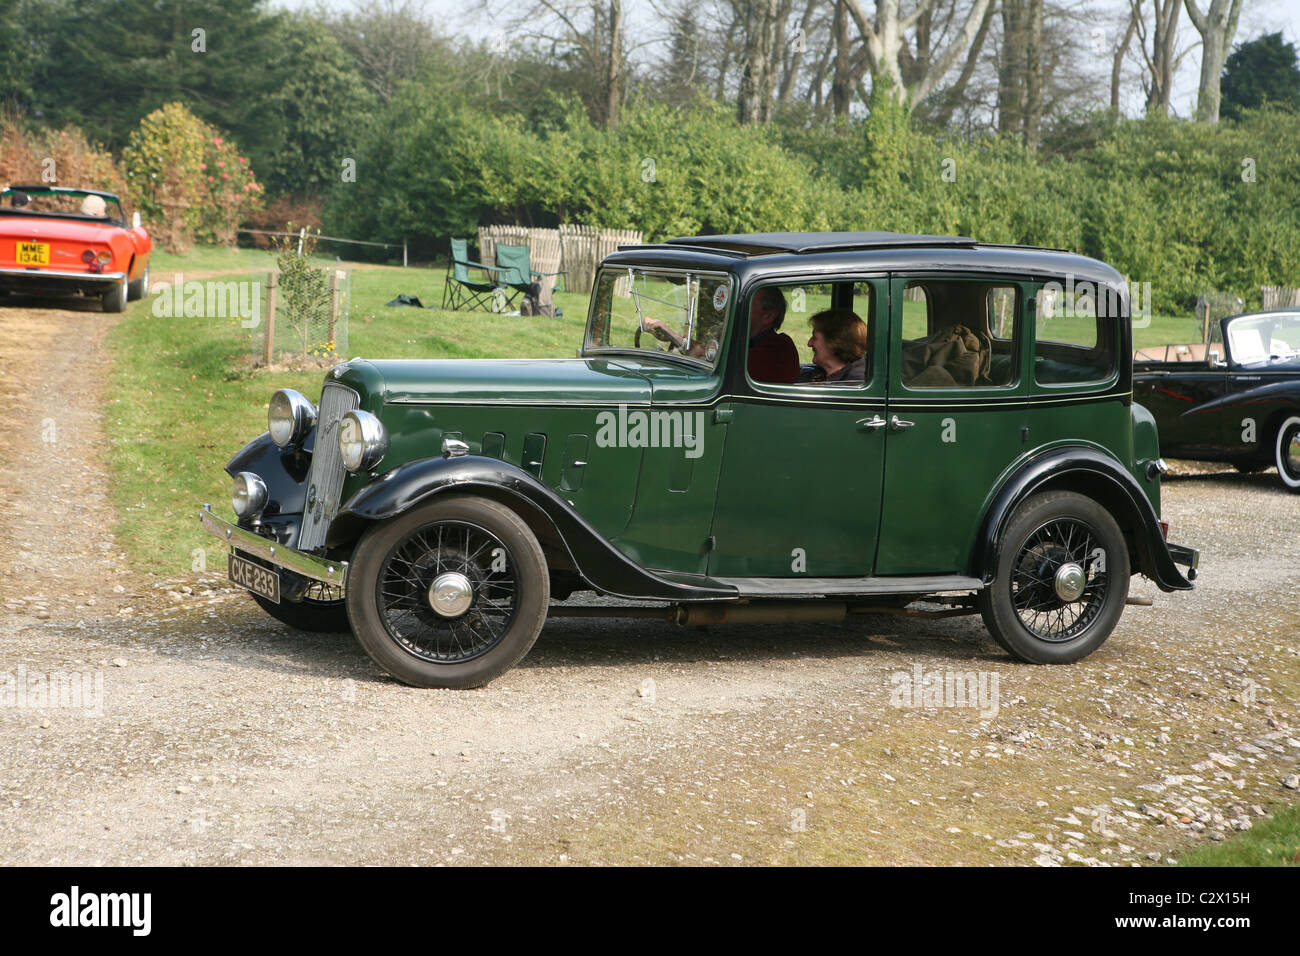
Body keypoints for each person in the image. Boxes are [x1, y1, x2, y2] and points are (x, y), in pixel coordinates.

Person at [746, 287, 799, 383]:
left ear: (768, 316)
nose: (740, 307)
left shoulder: (776, 350)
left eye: (748, 303)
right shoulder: (750, 343)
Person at [801, 308, 868, 383]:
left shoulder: (856, 382)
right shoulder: (818, 373)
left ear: (835, 342)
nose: (809, 343)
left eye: (815, 338)